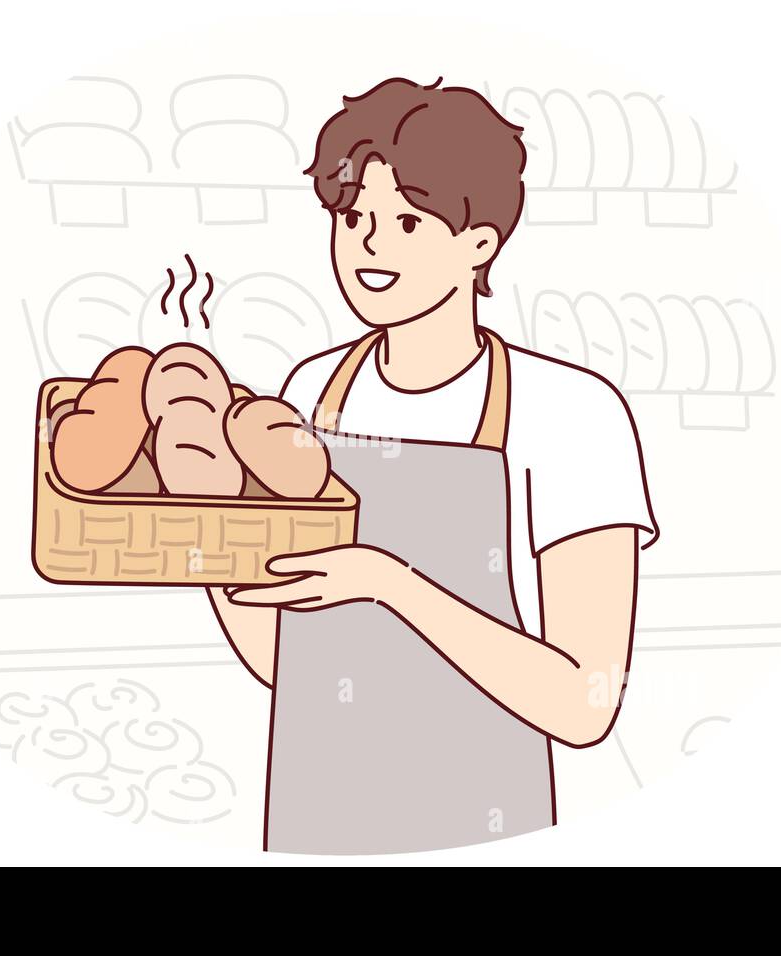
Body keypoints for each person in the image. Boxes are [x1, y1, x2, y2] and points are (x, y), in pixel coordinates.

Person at [207, 77, 658, 854]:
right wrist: (211, 552)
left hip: (484, 822)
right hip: (318, 817)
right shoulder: (310, 396)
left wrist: (389, 582)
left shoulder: (572, 415)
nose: (370, 247)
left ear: (480, 241)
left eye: (408, 222)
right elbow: (294, 671)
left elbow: (584, 706)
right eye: (354, 219)